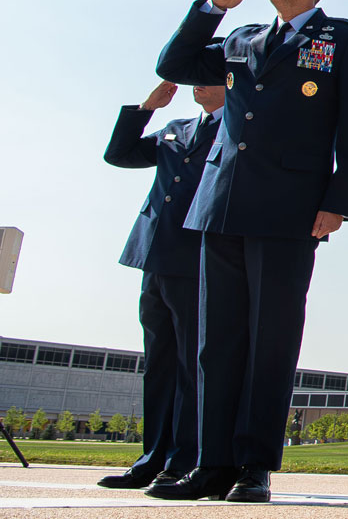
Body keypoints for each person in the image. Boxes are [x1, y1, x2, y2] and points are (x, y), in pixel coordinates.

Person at [147, 0, 348, 503]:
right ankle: (210, 465)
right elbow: (174, 64)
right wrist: (214, 8)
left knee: (270, 340)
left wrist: (339, 201)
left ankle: (253, 466)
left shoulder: (342, 38)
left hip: (290, 207)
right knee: (215, 343)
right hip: (221, 203)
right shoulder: (241, 38)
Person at [96, 79, 224, 490]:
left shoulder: (237, 128)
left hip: (195, 257)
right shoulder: (176, 128)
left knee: (190, 366)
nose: (197, 83)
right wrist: (146, 109)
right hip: (153, 255)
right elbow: (119, 155)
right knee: (158, 365)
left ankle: (181, 460)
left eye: (208, 76)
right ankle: (150, 460)